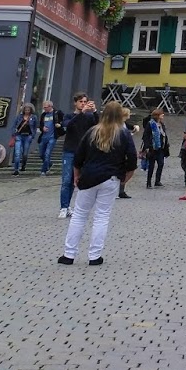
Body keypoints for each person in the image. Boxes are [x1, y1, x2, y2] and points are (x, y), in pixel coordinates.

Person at [58, 100, 137, 267]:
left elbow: (78, 157)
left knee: (79, 215)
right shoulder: (123, 134)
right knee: (101, 217)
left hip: (88, 177)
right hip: (111, 178)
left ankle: (69, 254)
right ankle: (94, 256)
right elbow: (132, 159)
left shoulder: (92, 132)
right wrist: (124, 178)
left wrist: (77, 175)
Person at [59, 94, 97, 218]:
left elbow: (99, 125)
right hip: (69, 151)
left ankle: (76, 207)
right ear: (75, 103)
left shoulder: (89, 117)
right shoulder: (69, 116)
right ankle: (64, 207)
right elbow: (68, 126)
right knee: (66, 180)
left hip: (84, 153)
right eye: (81, 101)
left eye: (85, 101)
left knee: (80, 181)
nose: (83, 104)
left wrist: (95, 111)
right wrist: (81, 114)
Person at [140, 111, 169, 188]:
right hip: (152, 148)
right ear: (157, 116)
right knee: (151, 165)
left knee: (161, 164)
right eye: (161, 114)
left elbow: (164, 135)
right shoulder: (150, 124)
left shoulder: (162, 124)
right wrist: (147, 147)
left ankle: (157, 181)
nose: (163, 116)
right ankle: (149, 182)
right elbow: (145, 136)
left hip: (160, 148)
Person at [36, 100, 62, 176]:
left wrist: (59, 125)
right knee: (41, 154)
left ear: (50, 106)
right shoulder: (43, 115)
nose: (44, 109)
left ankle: (43, 171)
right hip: (44, 137)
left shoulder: (57, 113)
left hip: (52, 137)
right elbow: (40, 125)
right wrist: (42, 128)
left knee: (47, 153)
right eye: (43, 107)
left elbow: (63, 121)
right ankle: (49, 163)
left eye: (45, 107)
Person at [10, 103, 37, 175]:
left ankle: (23, 165)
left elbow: (35, 127)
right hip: (19, 135)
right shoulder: (19, 117)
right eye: (26, 110)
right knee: (17, 153)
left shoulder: (33, 117)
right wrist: (14, 133)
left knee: (25, 154)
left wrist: (32, 135)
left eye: (28, 110)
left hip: (28, 136)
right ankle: (16, 169)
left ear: (31, 110)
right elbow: (14, 125)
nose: (27, 111)